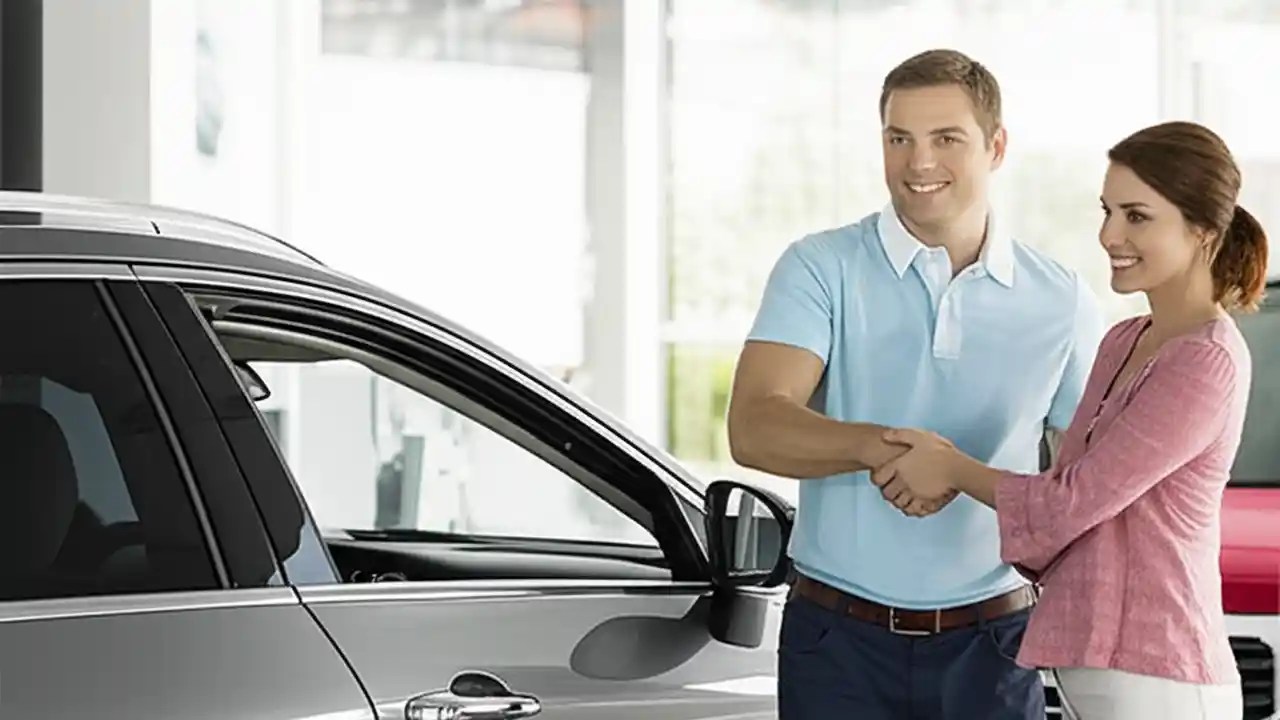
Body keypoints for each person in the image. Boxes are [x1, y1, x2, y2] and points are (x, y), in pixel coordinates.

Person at [726, 48, 1106, 719]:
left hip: (995, 645)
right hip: (835, 643)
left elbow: (1088, 488)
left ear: (996, 147)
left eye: (945, 139)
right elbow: (754, 425)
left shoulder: (1062, 298)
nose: (918, 163)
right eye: (898, 138)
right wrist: (886, 448)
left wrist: (952, 471)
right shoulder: (821, 267)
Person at [875, 120, 1265, 719]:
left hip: (1161, 676)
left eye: (1137, 216)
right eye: (1107, 211)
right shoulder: (1123, 340)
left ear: (1203, 230)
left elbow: (1070, 502)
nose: (1110, 235)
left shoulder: (1205, 362)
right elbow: (1061, 511)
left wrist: (950, 469)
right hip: (1100, 674)